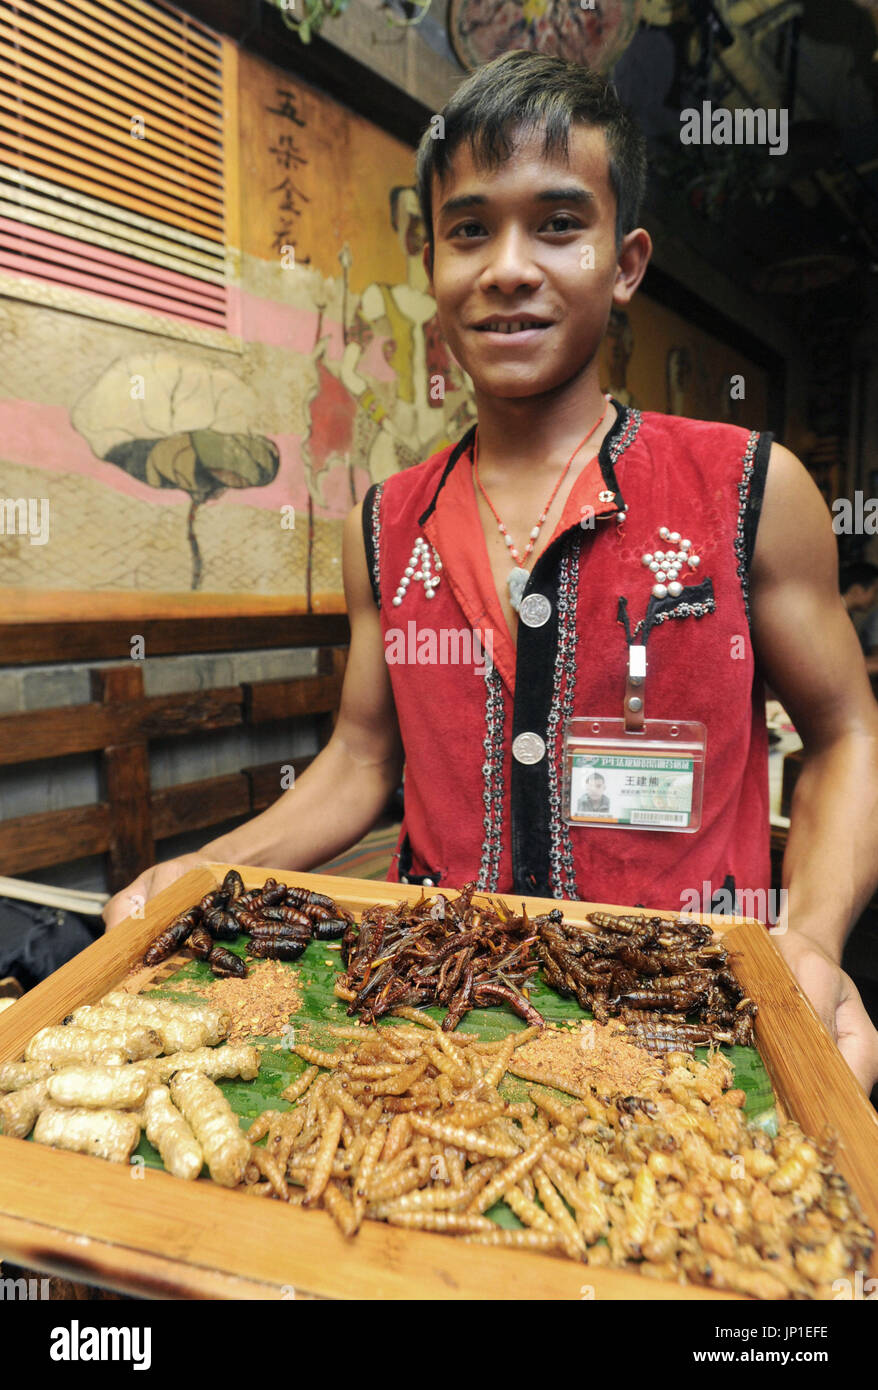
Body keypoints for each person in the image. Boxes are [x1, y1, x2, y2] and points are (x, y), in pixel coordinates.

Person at [105, 52, 878, 1093]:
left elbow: (846, 734)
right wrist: (204, 870)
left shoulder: (744, 489)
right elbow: (357, 761)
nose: (508, 266)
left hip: (684, 1023)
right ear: (432, 264)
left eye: (557, 225)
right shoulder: (383, 522)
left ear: (625, 260)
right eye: (470, 229)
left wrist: (811, 937)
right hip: (434, 1015)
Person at [840, 560, 878, 677]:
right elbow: (840, 667)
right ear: (857, 590)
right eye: (875, 592)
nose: (876, 599)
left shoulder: (845, 614)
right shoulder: (833, 616)